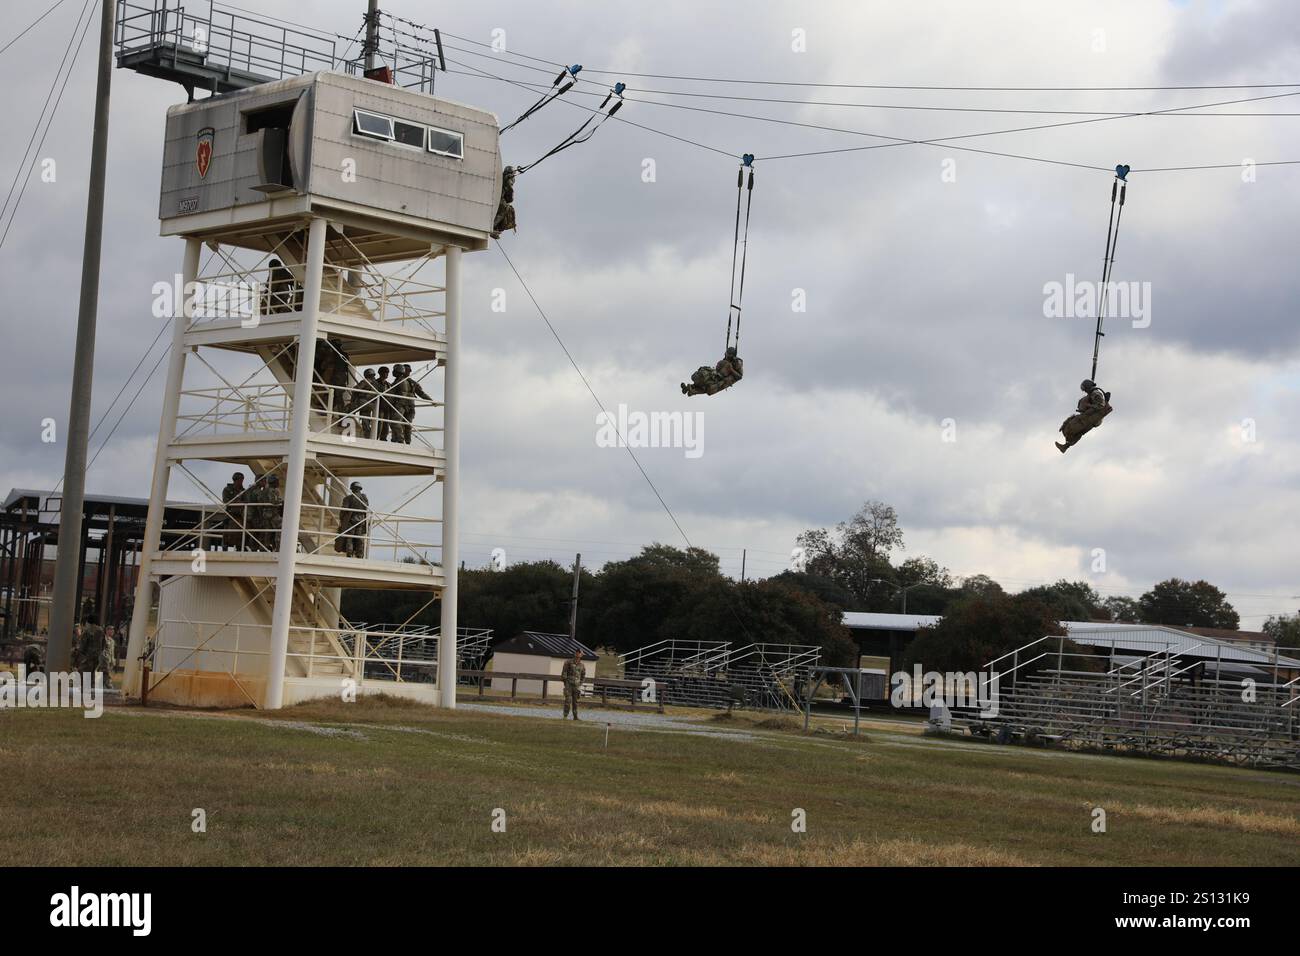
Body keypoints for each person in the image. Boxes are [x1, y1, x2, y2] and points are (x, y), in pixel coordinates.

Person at [1056, 379, 1112, 453]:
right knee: (1078, 431)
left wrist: (1088, 406)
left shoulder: (1095, 393)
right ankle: (1065, 446)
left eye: (1085, 389)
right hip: (1093, 418)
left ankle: (1065, 446)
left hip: (1093, 418)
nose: (1085, 391)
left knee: (1074, 428)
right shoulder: (1092, 393)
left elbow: (1100, 405)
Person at [391, 364, 432, 444]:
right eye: (407, 370)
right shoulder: (400, 382)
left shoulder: (411, 383)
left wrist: (431, 401)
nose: (408, 372)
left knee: (404, 424)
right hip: (403, 405)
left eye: (409, 370)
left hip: (405, 406)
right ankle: (400, 439)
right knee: (401, 423)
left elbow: (421, 393)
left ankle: (404, 440)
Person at [336, 482, 370, 558]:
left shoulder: (348, 498)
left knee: (349, 538)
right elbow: (366, 506)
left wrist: (341, 519)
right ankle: (359, 554)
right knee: (359, 538)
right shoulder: (364, 498)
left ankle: (349, 553)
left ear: (352, 489)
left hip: (351, 521)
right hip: (361, 522)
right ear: (360, 489)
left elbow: (343, 510)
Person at [221, 471, 247, 550]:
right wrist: (237, 502)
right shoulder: (227, 489)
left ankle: (239, 547)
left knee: (239, 533)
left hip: (240, 515)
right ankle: (224, 546)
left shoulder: (243, 490)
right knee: (227, 531)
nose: (241, 481)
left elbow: (246, 501)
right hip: (230, 513)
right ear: (235, 480)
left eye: (242, 480)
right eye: (240, 479)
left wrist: (241, 503)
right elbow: (226, 501)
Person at [351, 368, 380, 439]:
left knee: (348, 411)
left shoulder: (366, 381)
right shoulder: (376, 383)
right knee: (366, 421)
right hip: (371, 405)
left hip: (363, 402)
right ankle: (367, 437)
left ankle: (347, 429)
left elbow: (356, 389)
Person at [561, 649, 585, 720]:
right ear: (576, 653)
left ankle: (575, 716)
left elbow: (583, 675)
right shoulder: (568, 662)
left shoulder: (582, 665)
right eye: (579, 653)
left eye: (581, 654)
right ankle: (565, 716)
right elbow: (564, 672)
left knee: (575, 702)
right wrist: (565, 682)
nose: (579, 655)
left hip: (576, 686)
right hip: (569, 684)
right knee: (568, 700)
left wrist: (580, 683)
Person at [375, 366, 395, 442]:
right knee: (379, 424)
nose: (386, 374)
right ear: (380, 373)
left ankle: (383, 438)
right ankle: (376, 437)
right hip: (379, 406)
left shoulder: (389, 385)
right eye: (385, 372)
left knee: (386, 425)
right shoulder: (375, 383)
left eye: (387, 372)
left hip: (387, 407)